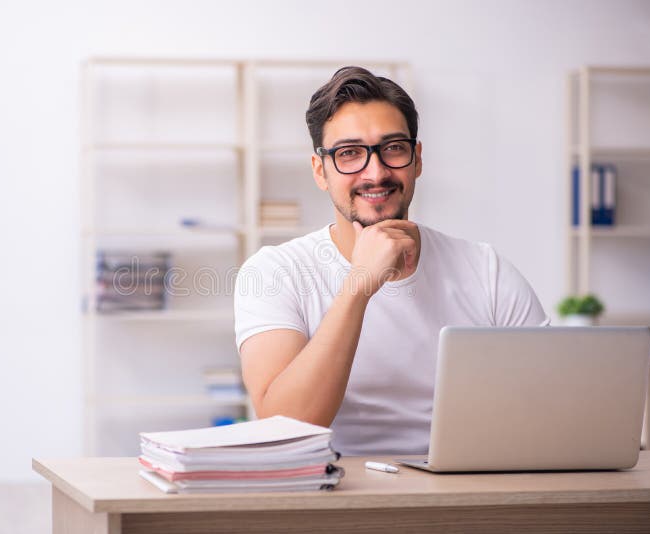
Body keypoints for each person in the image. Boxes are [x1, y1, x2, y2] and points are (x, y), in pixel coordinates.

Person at [234, 66, 548, 455]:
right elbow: (284, 428)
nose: (376, 172)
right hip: (332, 500)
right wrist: (359, 285)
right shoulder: (274, 272)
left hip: (465, 494)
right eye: (349, 154)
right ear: (321, 171)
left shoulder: (485, 269)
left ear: (417, 159)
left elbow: (549, 406)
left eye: (393, 148)